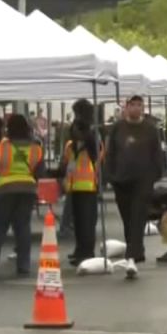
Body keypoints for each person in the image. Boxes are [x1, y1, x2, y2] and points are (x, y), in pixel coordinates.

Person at [105, 96, 163, 265]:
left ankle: (132, 252)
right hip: (121, 180)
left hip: (143, 180)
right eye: (133, 105)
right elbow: (110, 153)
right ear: (127, 107)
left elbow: (156, 153)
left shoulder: (150, 129)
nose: (137, 108)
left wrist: (155, 175)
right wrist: (110, 175)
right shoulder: (117, 128)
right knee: (127, 217)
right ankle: (136, 249)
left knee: (139, 215)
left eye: (140, 105)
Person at [0, 114, 44, 277]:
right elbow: (40, 172)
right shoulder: (36, 148)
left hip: (4, 189)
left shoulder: (1, 147)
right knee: (23, 227)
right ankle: (23, 265)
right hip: (28, 189)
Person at [59, 99, 101, 266]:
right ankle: (80, 249)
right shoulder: (74, 141)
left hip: (88, 184)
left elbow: (97, 156)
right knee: (78, 221)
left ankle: (87, 251)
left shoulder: (92, 136)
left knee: (86, 221)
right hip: (75, 184)